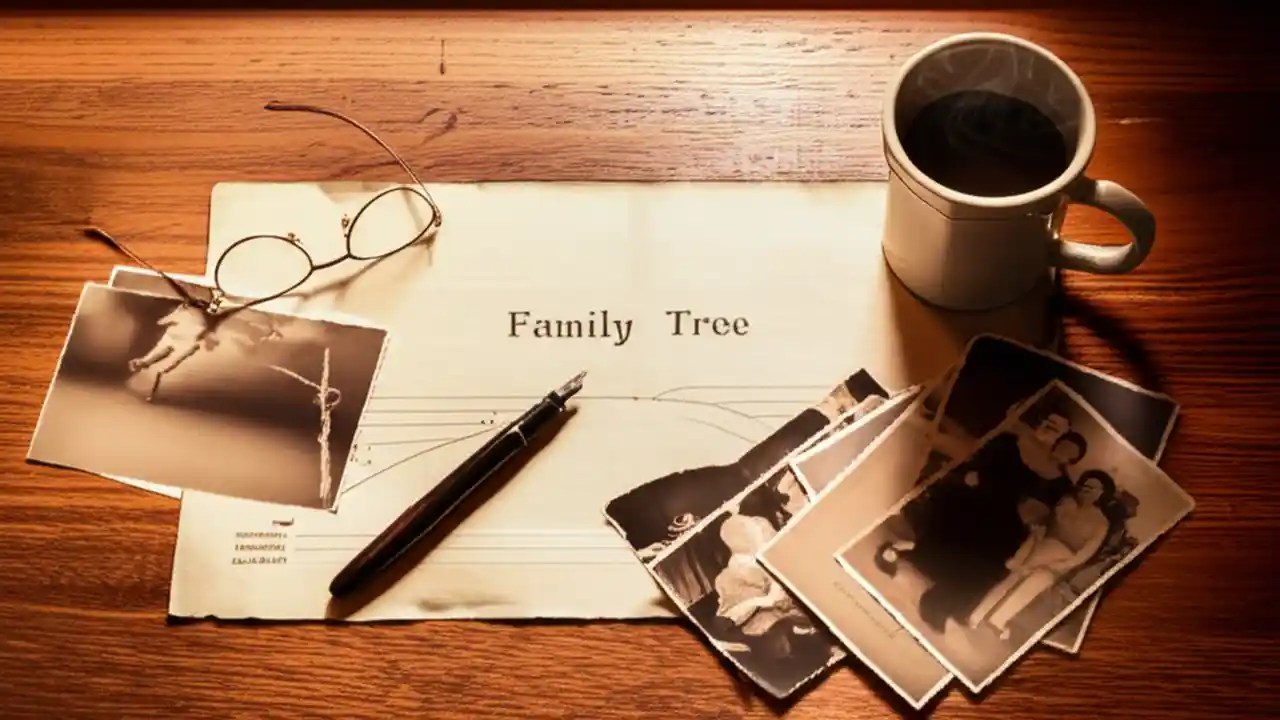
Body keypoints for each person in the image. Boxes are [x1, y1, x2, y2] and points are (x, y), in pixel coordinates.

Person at [971, 469, 1118, 640]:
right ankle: (978, 615)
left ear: (1102, 493)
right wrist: (1026, 550)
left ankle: (997, 621)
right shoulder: (1067, 502)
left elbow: (1086, 553)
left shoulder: (1101, 522)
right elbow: (1045, 525)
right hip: (1042, 545)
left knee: (1034, 584)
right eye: (1084, 486)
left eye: (1093, 489)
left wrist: (1058, 566)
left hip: (1063, 559)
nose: (1086, 490)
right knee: (1013, 578)